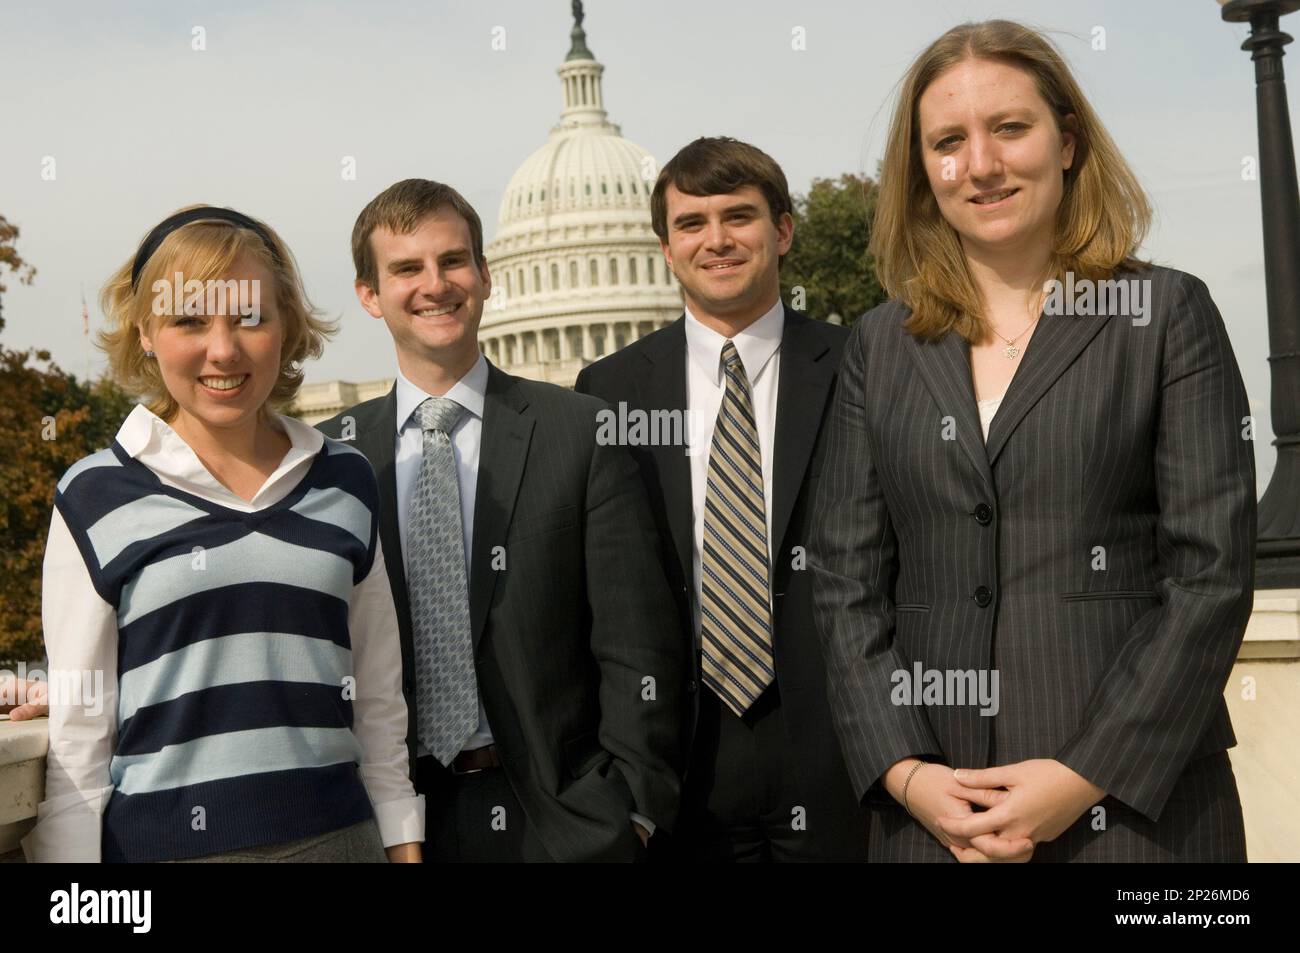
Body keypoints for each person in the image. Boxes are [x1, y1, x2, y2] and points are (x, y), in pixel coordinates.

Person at [811, 20, 1256, 863]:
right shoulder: (879, 345)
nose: (980, 163)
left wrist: (1082, 774)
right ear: (923, 171)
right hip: (934, 822)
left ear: (1068, 143)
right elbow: (841, 581)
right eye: (948, 141)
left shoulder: (1165, 316)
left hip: (1137, 816)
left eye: (1009, 128)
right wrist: (905, 771)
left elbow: (1210, 575)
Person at [24, 206, 423, 862]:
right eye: (189, 320)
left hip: (340, 843)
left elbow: (378, 701)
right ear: (146, 332)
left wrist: (404, 844)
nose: (223, 349)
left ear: (287, 325)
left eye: (249, 317)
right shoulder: (93, 495)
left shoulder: (346, 479)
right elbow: (79, 741)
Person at [316, 179, 685, 862]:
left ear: (485, 276)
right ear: (370, 294)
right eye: (406, 268)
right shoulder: (331, 460)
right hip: (391, 824)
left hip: (559, 822)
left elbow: (640, 643)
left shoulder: (582, 431)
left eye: (454, 261)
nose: (436, 284)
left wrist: (631, 810)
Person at [576, 137, 869, 861]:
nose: (717, 240)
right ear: (666, 247)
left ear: (784, 229)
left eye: (738, 216)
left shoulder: (862, 363)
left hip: (841, 746)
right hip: (684, 755)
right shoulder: (609, 390)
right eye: (691, 223)